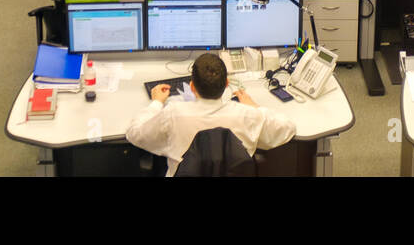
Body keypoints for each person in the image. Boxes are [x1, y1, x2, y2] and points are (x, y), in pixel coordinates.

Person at [125, 52, 297, 176]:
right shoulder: (247, 115)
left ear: (192, 87)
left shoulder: (174, 114)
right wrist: (255, 107)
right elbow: (287, 128)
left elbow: (135, 134)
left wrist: (156, 103)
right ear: (227, 84)